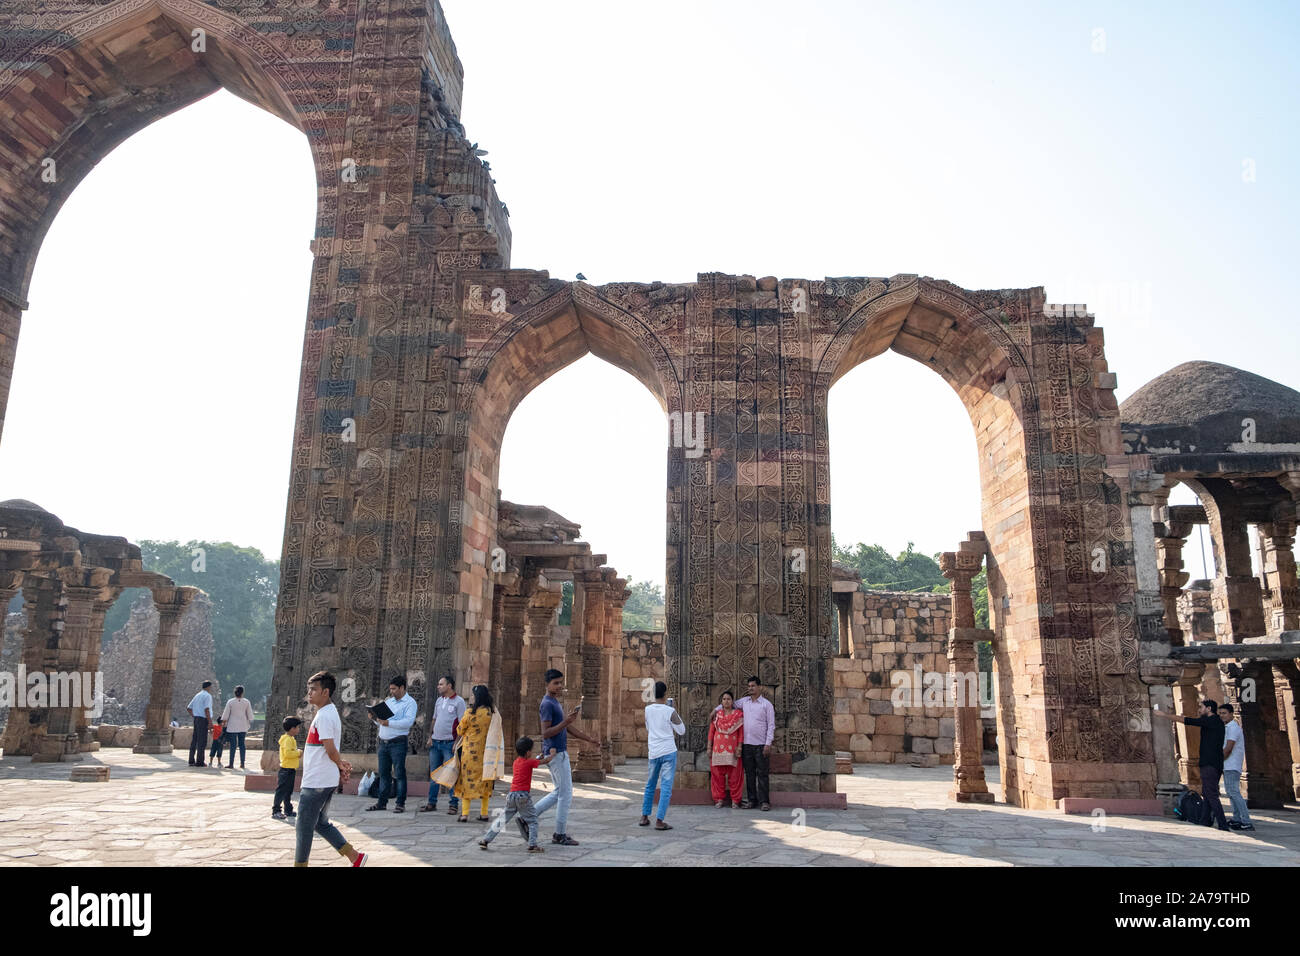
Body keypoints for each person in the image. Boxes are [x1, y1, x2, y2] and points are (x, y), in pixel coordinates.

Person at [295, 671, 367, 867]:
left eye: (314, 689)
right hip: (322, 778)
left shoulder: (325, 716)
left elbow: (329, 748)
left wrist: (339, 763)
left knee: (303, 825)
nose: (309, 693)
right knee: (320, 823)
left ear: (325, 692)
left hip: (317, 780)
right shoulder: (326, 713)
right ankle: (355, 856)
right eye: (309, 689)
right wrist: (339, 765)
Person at [532, 668, 601, 846]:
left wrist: (589, 739)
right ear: (547, 684)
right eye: (555, 683)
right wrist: (566, 721)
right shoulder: (547, 703)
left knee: (559, 793)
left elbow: (567, 728)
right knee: (565, 794)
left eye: (561, 682)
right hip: (555, 752)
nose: (559, 686)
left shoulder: (555, 702)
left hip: (559, 752)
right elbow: (545, 733)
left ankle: (530, 817)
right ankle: (559, 833)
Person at [1153, 698, 1230, 831]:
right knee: (1206, 792)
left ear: (1209, 709)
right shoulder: (1214, 722)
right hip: (1212, 762)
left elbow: (1188, 721)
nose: (1199, 710)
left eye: (1201, 707)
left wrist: (1164, 715)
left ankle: (1223, 824)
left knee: (1211, 794)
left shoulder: (1212, 720)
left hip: (1210, 763)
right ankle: (1204, 820)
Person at [478, 737, 556, 853]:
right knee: (533, 820)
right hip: (523, 796)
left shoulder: (516, 762)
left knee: (502, 819)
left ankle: (486, 840)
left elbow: (534, 761)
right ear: (528, 752)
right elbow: (544, 762)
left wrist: (539, 757)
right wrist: (552, 755)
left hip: (512, 795)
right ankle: (532, 845)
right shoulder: (529, 762)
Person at [639, 681, 686, 830]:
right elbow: (681, 730)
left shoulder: (648, 710)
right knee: (666, 786)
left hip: (654, 751)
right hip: (668, 751)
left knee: (650, 784)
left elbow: (648, 727)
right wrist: (674, 713)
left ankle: (644, 816)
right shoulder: (669, 711)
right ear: (665, 694)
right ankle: (659, 820)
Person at [368, 675, 417, 813]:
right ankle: (381, 802)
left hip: (398, 743)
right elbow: (381, 721)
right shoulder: (389, 702)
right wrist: (374, 718)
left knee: (399, 773)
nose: (392, 692)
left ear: (402, 688)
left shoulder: (410, 703)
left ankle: (400, 803)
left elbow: (408, 722)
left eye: (394, 689)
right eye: (390, 689)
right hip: (383, 743)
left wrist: (389, 723)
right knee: (384, 773)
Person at [420, 674, 466, 815]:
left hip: (449, 743)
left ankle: (453, 804)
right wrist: (430, 736)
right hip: (436, 742)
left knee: (451, 774)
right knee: (434, 774)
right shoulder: (439, 701)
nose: (438, 686)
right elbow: (434, 719)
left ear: (449, 686)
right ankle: (431, 802)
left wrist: (457, 742)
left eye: (441, 684)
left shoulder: (459, 702)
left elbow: (462, 724)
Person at [454, 685, 498, 822]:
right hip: (487, 752)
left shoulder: (469, 713)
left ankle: (464, 814)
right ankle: (484, 813)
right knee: (485, 781)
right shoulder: (491, 713)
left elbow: (459, 730)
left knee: (467, 781)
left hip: (469, 753)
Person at [735, 676, 775, 811]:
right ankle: (752, 800)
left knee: (762, 774)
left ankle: (764, 801)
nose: (750, 688)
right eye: (749, 686)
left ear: (760, 687)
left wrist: (768, 743)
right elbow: (728, 704)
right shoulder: (744, 702)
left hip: (761, 744)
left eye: (753, 686)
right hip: (747, 744)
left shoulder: (766, 705)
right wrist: (716, 710)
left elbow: (771, 725)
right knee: (750, 774)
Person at [1219, 703, 1254, 831]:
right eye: (1221, 713)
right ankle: (1237, 819)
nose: (1222, 716)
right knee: (1231, 793)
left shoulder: (1233, 728)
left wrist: (1218, 760)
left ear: (1231, 714)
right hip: (1228, 765)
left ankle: (1246, 821)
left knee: (1234, 792)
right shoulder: (1228, 727)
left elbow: (1228, 749)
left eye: (1224, 713)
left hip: (1232, 764)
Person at [708, 690, 744, 808]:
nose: (726, 701)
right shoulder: (717, 715)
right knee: (717, 776)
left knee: (735, 776)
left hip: (733, 751)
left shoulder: (738, 715)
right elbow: (711, 732)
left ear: (732, 701)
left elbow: (740, 732)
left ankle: (735, 800)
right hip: (718, 750)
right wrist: (709, 747)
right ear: (721, 702)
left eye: (728, 699)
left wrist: (739, 747)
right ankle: (719, 799)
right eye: (724, 699)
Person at [273, 717, 303, 820]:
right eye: (297, 727)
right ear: (292, 728)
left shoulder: (291, 739)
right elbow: (288, 754)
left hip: (291, 769)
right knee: (281, 790)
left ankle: (288, 809)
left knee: (288, 791)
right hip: (285, 769)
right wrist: (298, 753)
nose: (299, 729)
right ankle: (276, 810)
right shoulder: (287, 740)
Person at [220, 685, 254, 770]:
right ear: (242, 693)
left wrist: (223, 723)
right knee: (242, 744)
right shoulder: (246, 702)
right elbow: (250, 715)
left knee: (233, 745)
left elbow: (225, 715)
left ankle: (231, 763)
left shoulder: (230, 702)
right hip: (243, 725)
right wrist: (249, 721)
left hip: (232, 725)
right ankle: (242, 763)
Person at [186, 680, 214, 767]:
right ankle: (200, 761)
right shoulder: (207, 696)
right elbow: (207, 709)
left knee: (195, 739)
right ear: (208, 687)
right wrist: (210, 722)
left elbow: (189, 708)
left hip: (197, 719)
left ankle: (191, 760)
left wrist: (195, 716)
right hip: (203, 719)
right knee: (202, 741)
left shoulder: (197, 695)